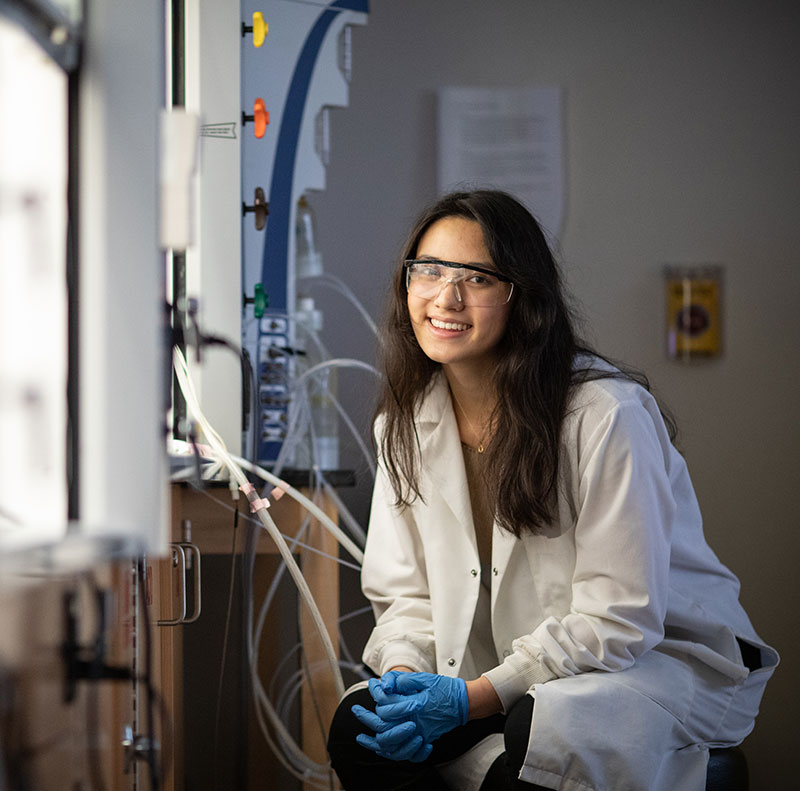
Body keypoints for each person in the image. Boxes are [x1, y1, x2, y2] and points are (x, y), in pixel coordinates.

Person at [326, 190, 777, 790]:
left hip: (656, 662)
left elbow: (619, 616)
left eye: (476, 278)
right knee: (361, 726)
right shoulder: (404, 427)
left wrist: (473, 700)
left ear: (522, 296)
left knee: (543, 728)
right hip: (508, 665)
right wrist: (406, 678)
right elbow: (406, 597)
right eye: (428, 271)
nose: (445, 297)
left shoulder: (605, 414)